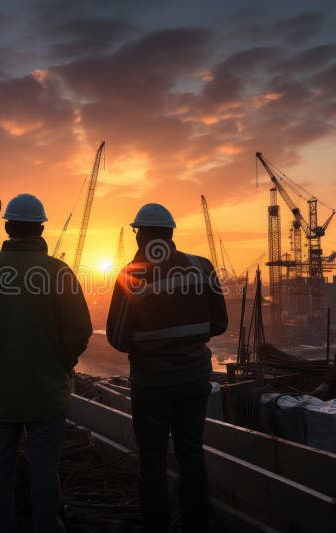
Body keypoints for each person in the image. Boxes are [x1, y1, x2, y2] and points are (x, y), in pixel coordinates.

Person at [0, 193, 92, 533]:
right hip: (46, 394)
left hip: (0, 394)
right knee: (45, 472)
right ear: (41, 229)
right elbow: (79, 331)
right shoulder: (58, 272)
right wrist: (60, 362)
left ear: (8, 228)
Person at [106, 203, 228, 533]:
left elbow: (117, 337)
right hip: (194, 379)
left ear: (140, 236)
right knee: (191, 453)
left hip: (152, 385)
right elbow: (219, 323)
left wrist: (150, 339)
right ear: (171, 233)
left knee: (153, 460)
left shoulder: (131, 275)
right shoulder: (201, 266)